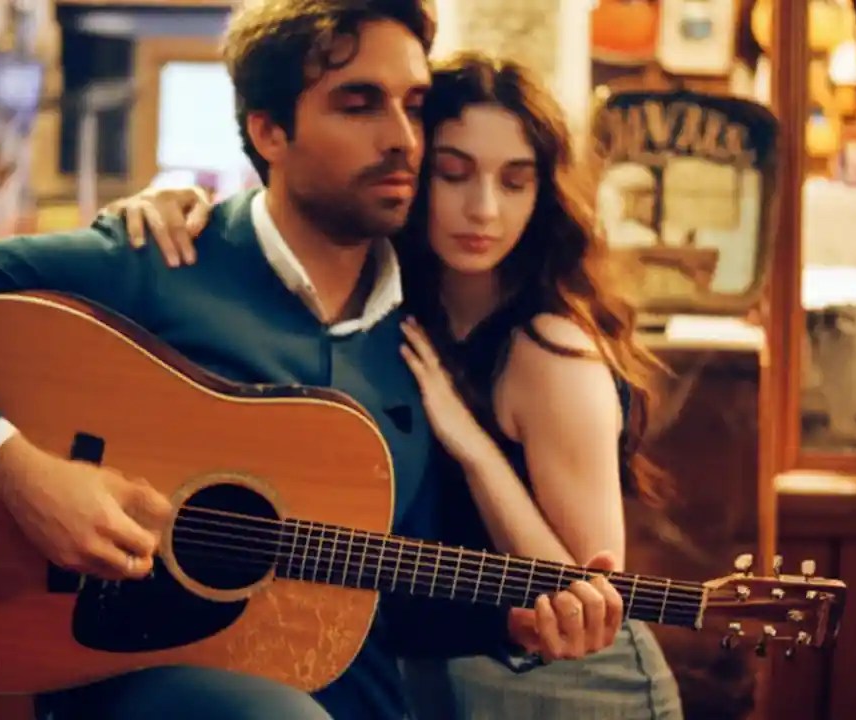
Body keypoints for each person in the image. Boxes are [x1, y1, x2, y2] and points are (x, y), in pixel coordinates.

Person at [0, 3, 623, 720]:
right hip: (142, 687)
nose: (403, 138)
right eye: (359, 104)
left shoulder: (426, 332)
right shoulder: (155, 257)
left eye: (414, 104)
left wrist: (519, 622)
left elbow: (382, 596)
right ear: (268, 130)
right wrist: (18, 475)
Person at [107, 52, 684, 719]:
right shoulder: (391, 303)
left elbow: (583, 596)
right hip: (446, 675)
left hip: (580, 689)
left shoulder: (551, 351)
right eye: (454, 173)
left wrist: (472, 447)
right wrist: (168, 207)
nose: (484, 209)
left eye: (515, 181)